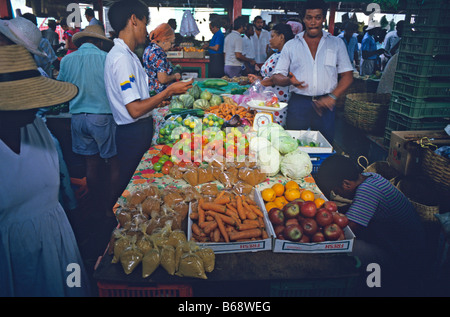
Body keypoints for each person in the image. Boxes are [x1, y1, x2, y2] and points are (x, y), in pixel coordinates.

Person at [0, 44, 91, 297]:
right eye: (24, 101)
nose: (35, 107)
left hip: (57, 241)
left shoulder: (37, 128)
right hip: (12, 256)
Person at [104, 0, 193, 203]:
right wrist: (168, 90)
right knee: (132, 189)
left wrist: (155, 102)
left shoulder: (129, 55)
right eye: (145, 23)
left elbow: (137, 100)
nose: (147, 31)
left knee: (134, 186)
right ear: (134, 20)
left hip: (135, 129)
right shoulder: (122, 58)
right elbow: (134, 110)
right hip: (132, 132)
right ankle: (116, 223)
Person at [315, 154, 427, 295]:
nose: (337, 195)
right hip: (397, 241)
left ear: (346, 184)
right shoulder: (369, 177)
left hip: (404, 258)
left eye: (337, 191)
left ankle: (372, 287)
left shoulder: (367, 191)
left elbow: (346, 231)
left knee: (345, 248)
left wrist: (319, 225)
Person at [57, 25, 119, 217]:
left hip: (78, 118)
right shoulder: (106, 58)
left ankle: (93, 205)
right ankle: (111, 207)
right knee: (112, 162)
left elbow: (61, 88)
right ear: (99, 42)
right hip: (102, 117)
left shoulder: (67, 60)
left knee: (91, 163)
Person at [272, 0, 353, 143]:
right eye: (309, 17)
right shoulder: (291, 45)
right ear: (303, 19)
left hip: (326, 103)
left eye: (318, 17)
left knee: (325, 145)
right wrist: (289, 81)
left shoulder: (336, 43)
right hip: (299, 103)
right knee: (293, 144)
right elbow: (277, 77)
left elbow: (347, 76)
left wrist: (332, 97)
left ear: (323, 19)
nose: (313, 22)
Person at [248, 23, 294, 103]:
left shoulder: (285, 56)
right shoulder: (276, 54)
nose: (270, 40)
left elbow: (274, 79)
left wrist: (259, 83)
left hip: (278, 99)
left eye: (272, 36)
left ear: (281, 37)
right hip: (268, 98)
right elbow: (268, 77)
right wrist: (258, 79)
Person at [143, 23, 180, 95]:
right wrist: (174, 76)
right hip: (161, 94)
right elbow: (163, 79)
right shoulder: (160, 54)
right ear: (164, 40)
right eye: (171, 43)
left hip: (150, 91)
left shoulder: (148, 49)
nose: (172, 46)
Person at [21, 13, 59, 78]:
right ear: (35, 25)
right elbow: (54, 60)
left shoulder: (17, 42)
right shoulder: (42, 41)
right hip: (45, 79)